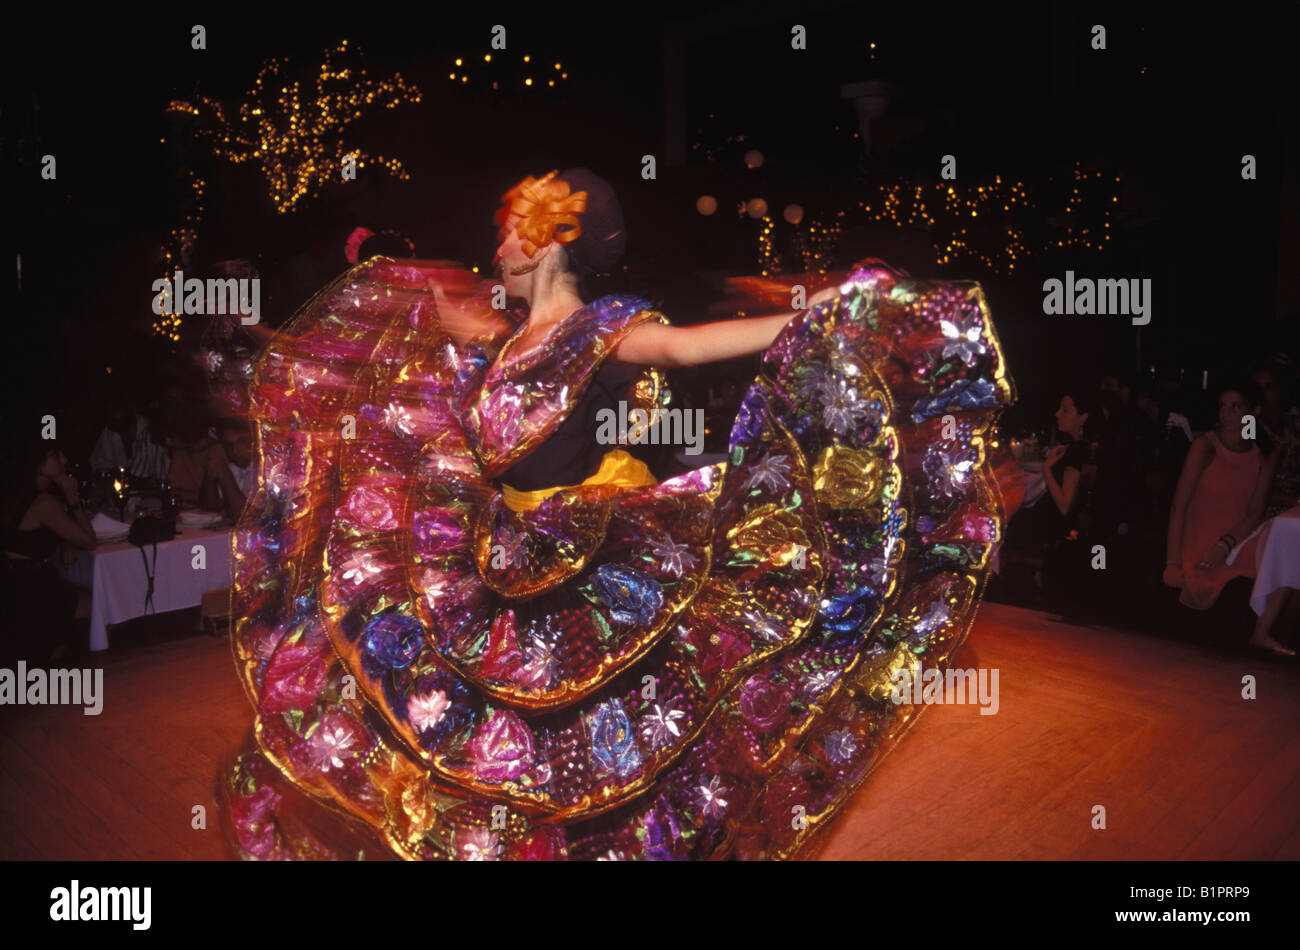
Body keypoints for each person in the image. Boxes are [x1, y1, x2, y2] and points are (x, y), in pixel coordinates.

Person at [218, 167, 1016, 861]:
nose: (497, 248)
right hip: (496, 567)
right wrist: (298, 343)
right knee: (473, 744)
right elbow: (410, 369)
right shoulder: (503, 342)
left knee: (581, 761)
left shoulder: (599, 332)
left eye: (508, 233)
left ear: (541, 244)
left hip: (578, 579)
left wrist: (821, 311)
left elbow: (687, 347)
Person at [1163, 379, 1278, 612]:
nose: (1226, 414)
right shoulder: (1206, 446)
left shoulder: (1265, 454)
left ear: (1254, 411)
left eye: (1235, 407)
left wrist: (1224, 546)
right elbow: (1178, 507)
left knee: (1270, 583)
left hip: (1237, 544)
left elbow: (1255, 514)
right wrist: (1172, 563)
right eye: (1222, 406)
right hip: (1199, 544)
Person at [0, 442, 96, 662]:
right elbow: (89, 541)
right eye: (56, 455)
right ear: (40, 464)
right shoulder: (43, 502)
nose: (64, 460)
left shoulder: (16, 494)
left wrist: (66, 541)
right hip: (32, 590)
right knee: (102, 606)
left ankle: (58, 649)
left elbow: (26, 536)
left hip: (13, 583)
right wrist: (73, 497)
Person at [199, 418, 254, 521]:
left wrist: (225, 474)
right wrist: (211, 474)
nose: (234, 451)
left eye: (241, 442)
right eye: (229, 445)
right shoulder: (234, 467)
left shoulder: (267, 472)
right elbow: (209, 508)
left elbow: (246, 518)